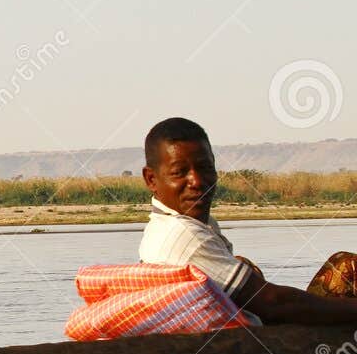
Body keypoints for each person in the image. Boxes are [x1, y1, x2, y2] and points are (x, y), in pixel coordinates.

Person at [139, 116, 357, 324]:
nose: (196, 181)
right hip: (256, 340)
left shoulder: (170, 227)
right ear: (151, 179)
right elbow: (273, 303)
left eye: (205, 168)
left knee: (244, 266)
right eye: (180, 172)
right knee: (346, 265)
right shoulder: (183, 236)